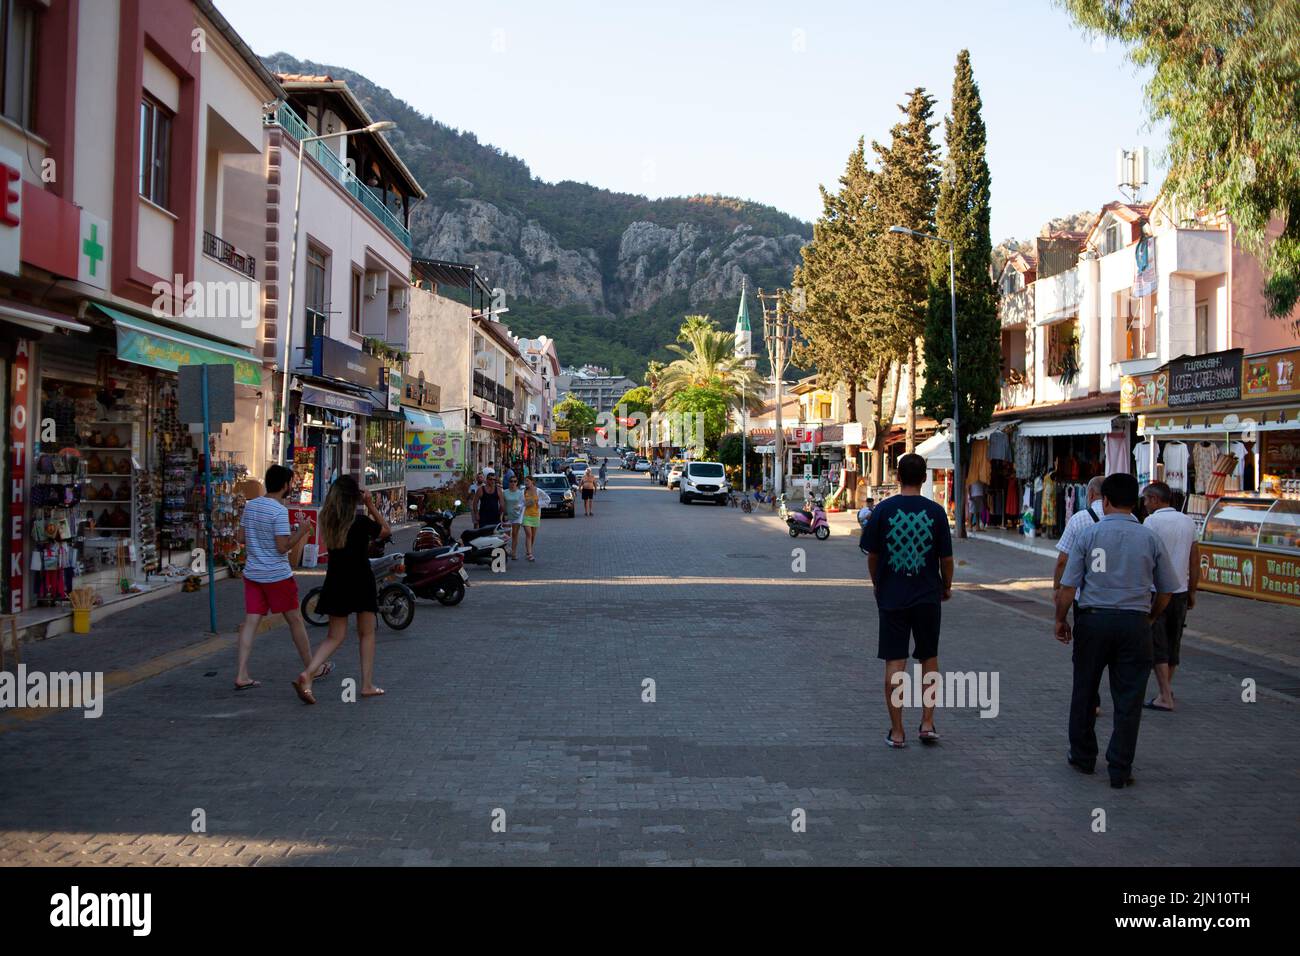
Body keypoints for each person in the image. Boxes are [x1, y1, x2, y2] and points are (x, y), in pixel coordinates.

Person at [1055, 473, 1179, 789]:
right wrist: (1149, 618)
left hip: (1094, 621)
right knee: (1129, 697)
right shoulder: (1150, 538)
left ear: (1105, 501)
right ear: (1134, 503)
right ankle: (1120, 768)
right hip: (1134, 624)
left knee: (1085, 690)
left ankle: (1083, 758)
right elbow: (1166, 591)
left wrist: (1060, 619)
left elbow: (1069, 586)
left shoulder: (1089, 534)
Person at [860, 453, 954, 749]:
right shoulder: (936, 512)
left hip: (892, 596)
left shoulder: (883, 511)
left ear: (897, 477)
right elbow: (947, 559)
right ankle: (927, 723)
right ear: (925, 478)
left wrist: (878, 584)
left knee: (895, 662)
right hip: (928, 596)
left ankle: (897, 731)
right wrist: (946, 586)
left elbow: (872, 556)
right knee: (929, 658)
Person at [293, 476, 391, 704]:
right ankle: (366, 684)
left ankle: (309, 672)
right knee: (366, 633)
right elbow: (385, 531)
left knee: (335, 636)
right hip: (360, 579)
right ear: (354, 497)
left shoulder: (329, 520)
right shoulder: (360, 522)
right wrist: (370, 504)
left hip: (336, 580)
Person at [233, 464, 331, 690]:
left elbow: (241, 537)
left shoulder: (251, 506)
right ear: (285, 485)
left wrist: (260, 541)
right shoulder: (278, 511)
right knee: (295, 621)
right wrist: (303, 530)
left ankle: (241, 673)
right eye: (290, 483)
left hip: (253, 574)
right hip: (277, 576)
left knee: (250, 623)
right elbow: (282, 546)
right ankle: (311, 668)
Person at [1141, 481, 1198, 712]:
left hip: (1157, 592)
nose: (1144, 504)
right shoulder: (1188, 522)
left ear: (1155, 499)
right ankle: (1166, 689)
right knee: (1174, 642)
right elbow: (1195, 560)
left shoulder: (1151, 522)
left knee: (1157, 643)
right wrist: (1193, 590)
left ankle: (1165, 695)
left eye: (1145, 499)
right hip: (1181, 591)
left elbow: (1144, 558)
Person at [1053, 475, 1106, 717]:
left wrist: (1057, 589)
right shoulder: (1133, 521)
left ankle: (1090, 701)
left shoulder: (1080, 519)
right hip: (1122, 603)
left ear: (1092, 494)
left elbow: (1063, 560)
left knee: (1086, 656)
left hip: (1086, 600)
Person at [521, 475, 550, 561]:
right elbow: (521, 503)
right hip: (526, 515)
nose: (526, 483)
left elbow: (548, 499)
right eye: (525, 481)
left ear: (532, 482)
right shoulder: (523, 491)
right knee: (529, 534)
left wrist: (538, 504)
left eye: (527, 481)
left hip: (535, 516)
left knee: (533, 536)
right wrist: (519, 506)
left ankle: (528, 551)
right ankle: (530, 554)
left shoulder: (538, 491)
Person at [502, 474, 525, 560]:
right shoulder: (505, 492)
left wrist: (519, 507)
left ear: (517, 483)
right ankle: (506, 551)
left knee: (515, 534)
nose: (513, 483)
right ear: (509, 483)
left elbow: (523, 503)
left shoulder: (520, 492)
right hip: (507, 516)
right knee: (506, 536)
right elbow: (502, 504)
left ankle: (514, 553)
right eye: (511, 481)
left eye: (515, 481)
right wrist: (504, 514)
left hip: (517, 516)